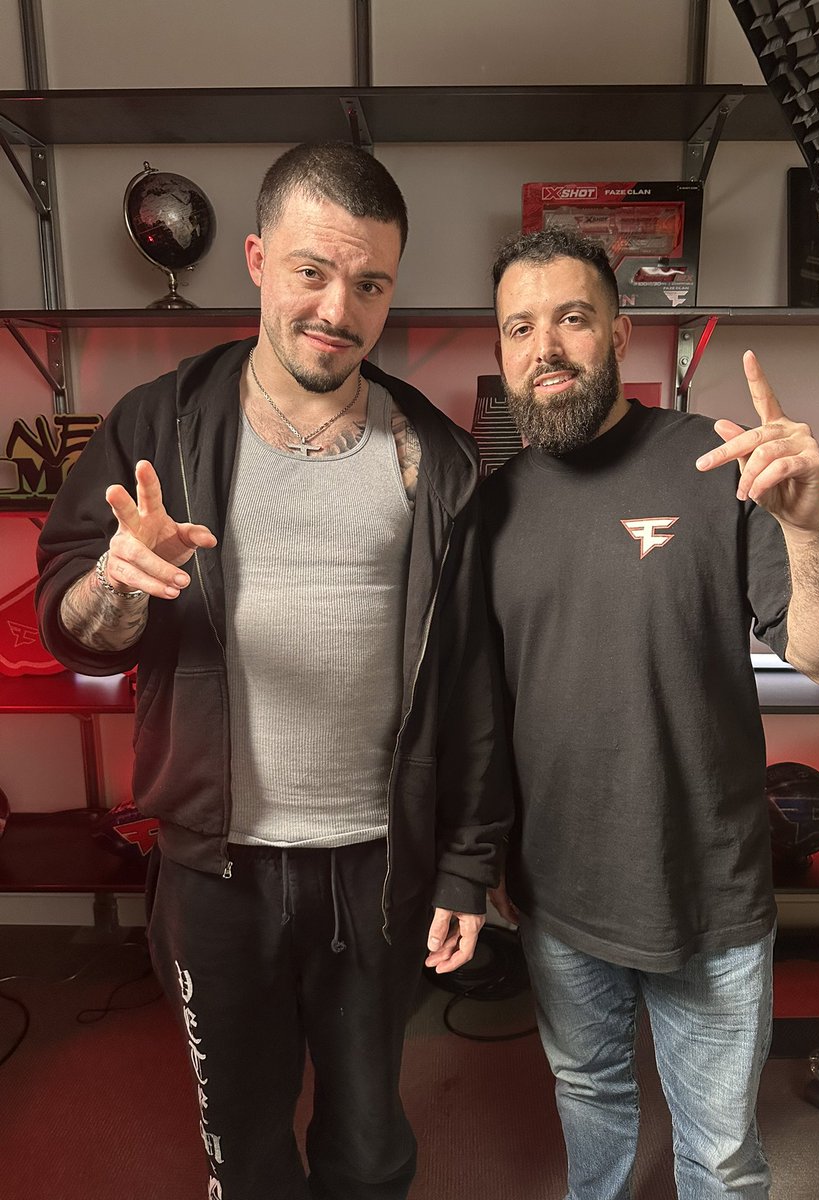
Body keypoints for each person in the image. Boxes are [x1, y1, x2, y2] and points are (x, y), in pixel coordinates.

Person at [35, 142, 510, 1200]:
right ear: (256, 259)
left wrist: (467, 866)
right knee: (245, 1152)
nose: (339, 309)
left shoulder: (436, 458)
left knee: (370, 1148)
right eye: (311, 270)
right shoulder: (159, 426)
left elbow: (471, 687)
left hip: (378, 868)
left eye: (371, 283)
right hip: (217, 873)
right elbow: (75, 624)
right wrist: (117, 584)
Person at [482, 228, 819, 1200]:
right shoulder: (490, 508)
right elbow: (485, 707)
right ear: (501, 351)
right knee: (590, 1101)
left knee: (720, 1159)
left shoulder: (717, 463)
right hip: (557, 894)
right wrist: (485, 857)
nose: (546, 347)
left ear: (620, 332)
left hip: (708, 893)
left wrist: (813, 526)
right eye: (520, 328)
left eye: (572, 318)